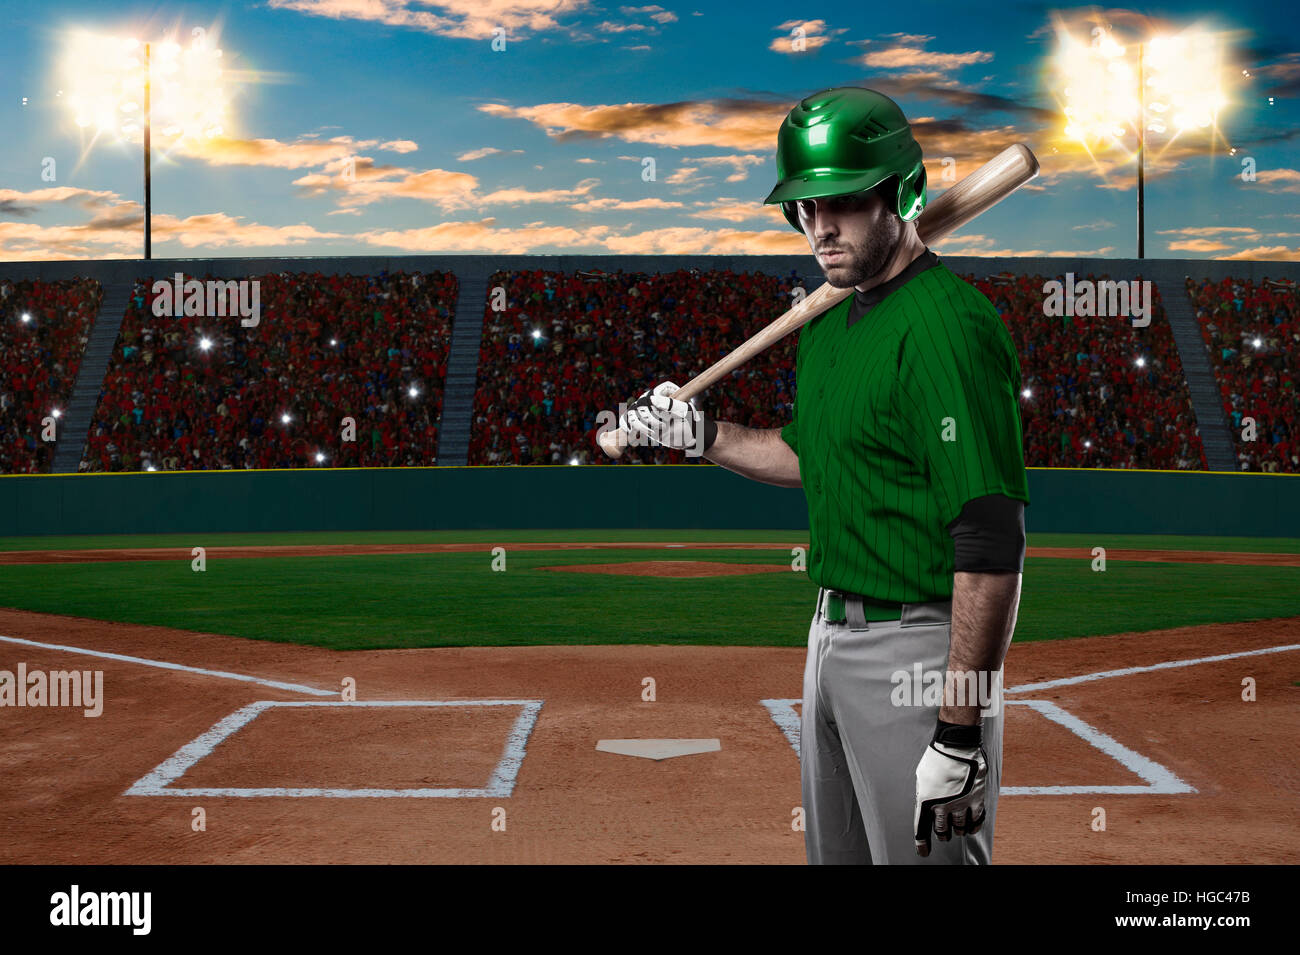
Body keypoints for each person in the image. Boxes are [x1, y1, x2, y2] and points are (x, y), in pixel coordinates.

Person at [619, 87, 1029, 864]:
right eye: (803, 206)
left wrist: (959, 725)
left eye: (840, 201)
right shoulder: (831, 323)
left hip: (917, 650)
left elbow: (990, 540)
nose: (819, 227)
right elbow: (811, 457)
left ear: (900, 192)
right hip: (827, 642)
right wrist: (698, 432)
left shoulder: (950, 326)